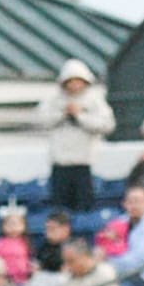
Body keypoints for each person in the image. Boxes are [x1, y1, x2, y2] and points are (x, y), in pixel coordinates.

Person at [38, 58, 115, 212]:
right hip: (60, 163)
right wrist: (63, 114)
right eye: (70, 81)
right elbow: (42, 120)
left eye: (78, 81)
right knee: (60, 209)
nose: (74, 85)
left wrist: (80, 116)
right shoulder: (54, 101)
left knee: (84, 207)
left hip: (83, 163)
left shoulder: (94, 101)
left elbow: (107, 125)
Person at [56, 239, 121, 286]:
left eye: (71, 261)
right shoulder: (68, 276)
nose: (67, 266)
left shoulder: (105, 272)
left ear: (85, 257)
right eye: (65, 262)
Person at [0, 207, 34, 286]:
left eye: (16, 224)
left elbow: (28, 260)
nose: (13, 227)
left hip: (24, 280)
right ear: (3, 226)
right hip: (4, 281)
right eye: (9, 224)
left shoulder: (26, 242)